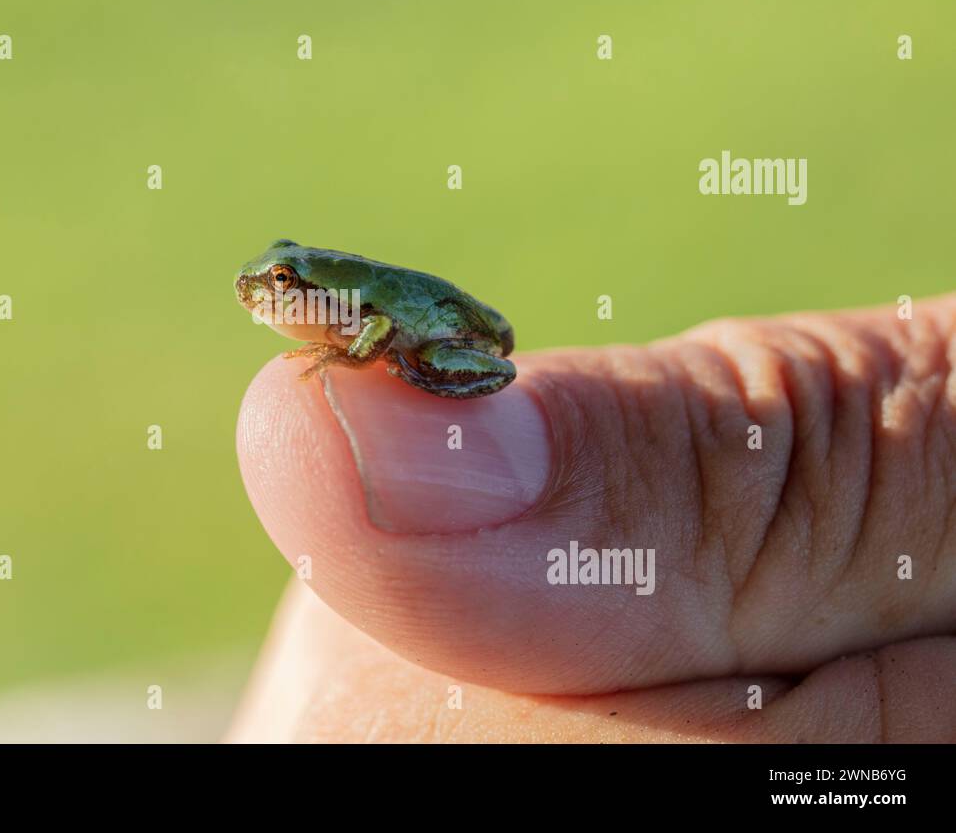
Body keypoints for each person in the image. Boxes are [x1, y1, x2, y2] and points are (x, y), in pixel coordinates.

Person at [228, 295, 956, 742]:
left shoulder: (359, 309)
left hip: (456, 335)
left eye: (289, 284)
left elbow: (383, 326)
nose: (271, 294)